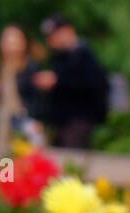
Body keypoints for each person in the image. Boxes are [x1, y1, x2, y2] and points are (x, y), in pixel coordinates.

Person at [33, 14, 109, 149]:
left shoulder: (84, 55)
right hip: (61, 122)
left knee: (71, 161)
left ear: (68, 31)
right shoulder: (60, 57)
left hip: (79, 121)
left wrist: (58, 80)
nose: (51, 40)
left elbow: (95, 86)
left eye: (55, 34)